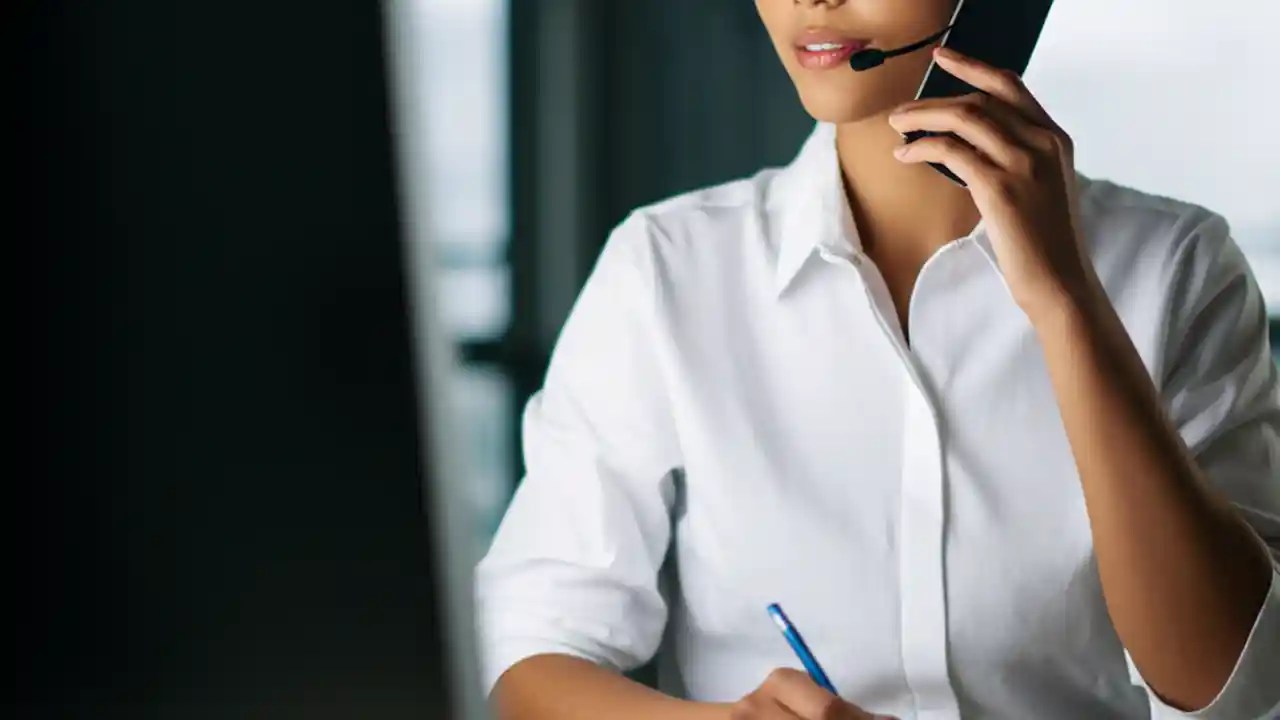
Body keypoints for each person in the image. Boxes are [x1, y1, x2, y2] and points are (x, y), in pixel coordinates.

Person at [474, 1, 1280, 718]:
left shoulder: (1176, 267)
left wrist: (1065, 302)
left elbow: (1226, 680)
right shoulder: (666, 269)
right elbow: (530, 660)